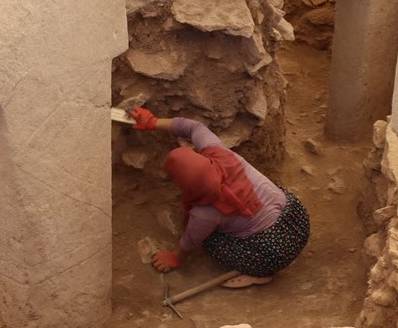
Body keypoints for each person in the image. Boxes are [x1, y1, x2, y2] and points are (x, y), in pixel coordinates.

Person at [129, 107, 310, 287]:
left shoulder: (205, 212)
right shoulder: (219, 153)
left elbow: (190, 242)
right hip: (297, 220)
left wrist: (175, 258)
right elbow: (193, 127)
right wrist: (153, 122)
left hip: (274, 252)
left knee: (210, 241)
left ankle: (259, 273)